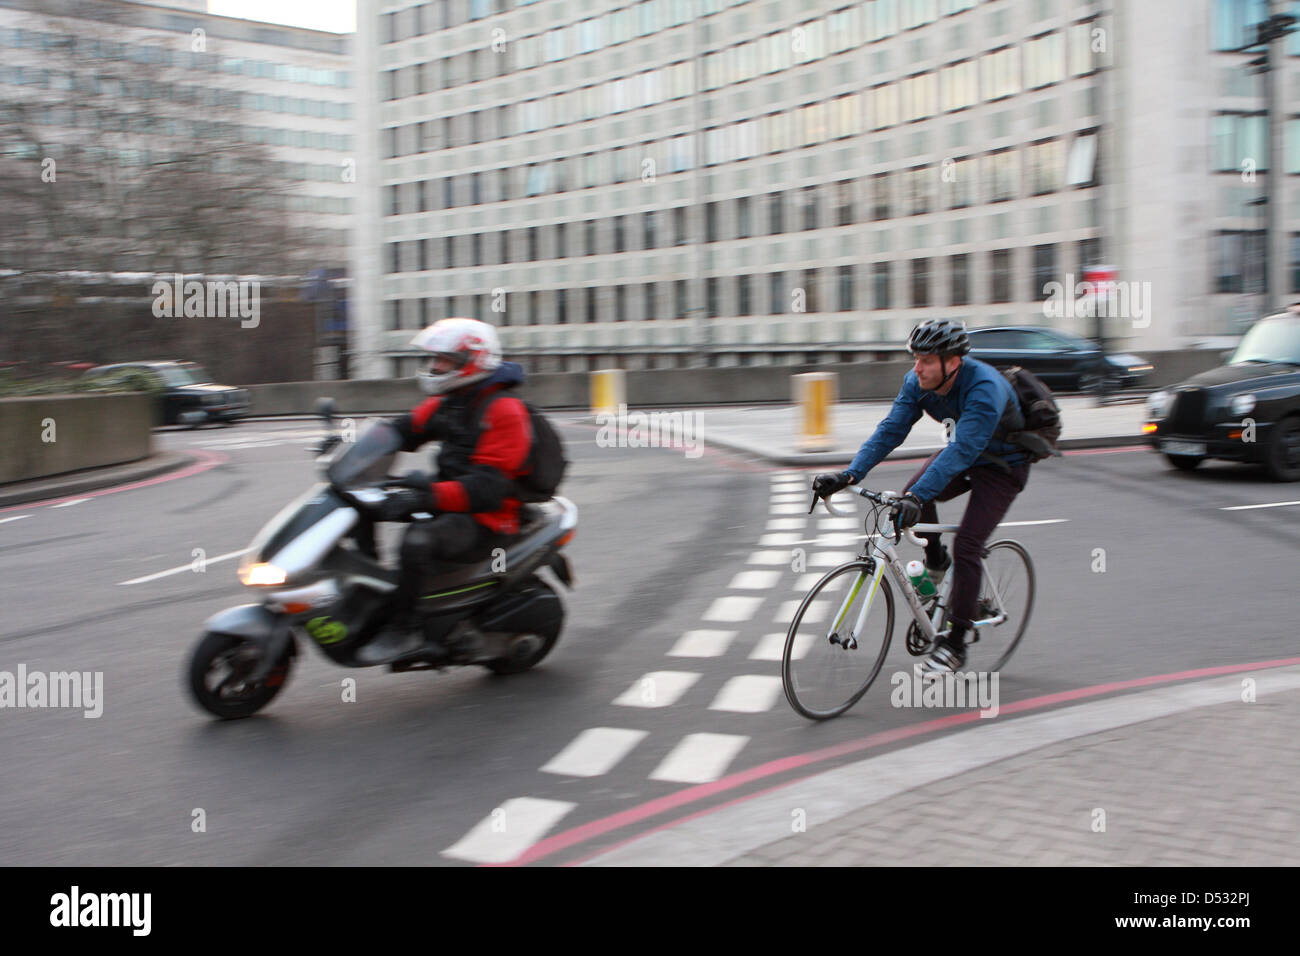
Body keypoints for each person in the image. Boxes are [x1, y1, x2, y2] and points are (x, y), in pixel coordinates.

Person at [812, 318, 1031, 675]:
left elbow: (964, 449)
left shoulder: (985, 387)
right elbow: (891, 429)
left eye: (926, 360)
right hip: (962, 455)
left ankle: (956, 645)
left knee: (967, 544)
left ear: (953, 362)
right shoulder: (918, 382)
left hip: (1003, 467)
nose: (917, 368)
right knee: (911, 497)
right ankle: (936, 561)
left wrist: (916, 496)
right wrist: (850, 473)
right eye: (915, 358)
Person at [363, 317, 532, 662]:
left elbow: (488, 488)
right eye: (435, 359)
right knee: (365, 504)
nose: (436, 367)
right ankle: (373, 594)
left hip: (487, 517)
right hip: (451, 501)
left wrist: (427, 494)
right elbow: (405, 428)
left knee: (418, 541)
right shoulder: (454, 401)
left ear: (474, 361)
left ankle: (404, 627)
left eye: (445, 360)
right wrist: (353, 444)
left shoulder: (503, 410)